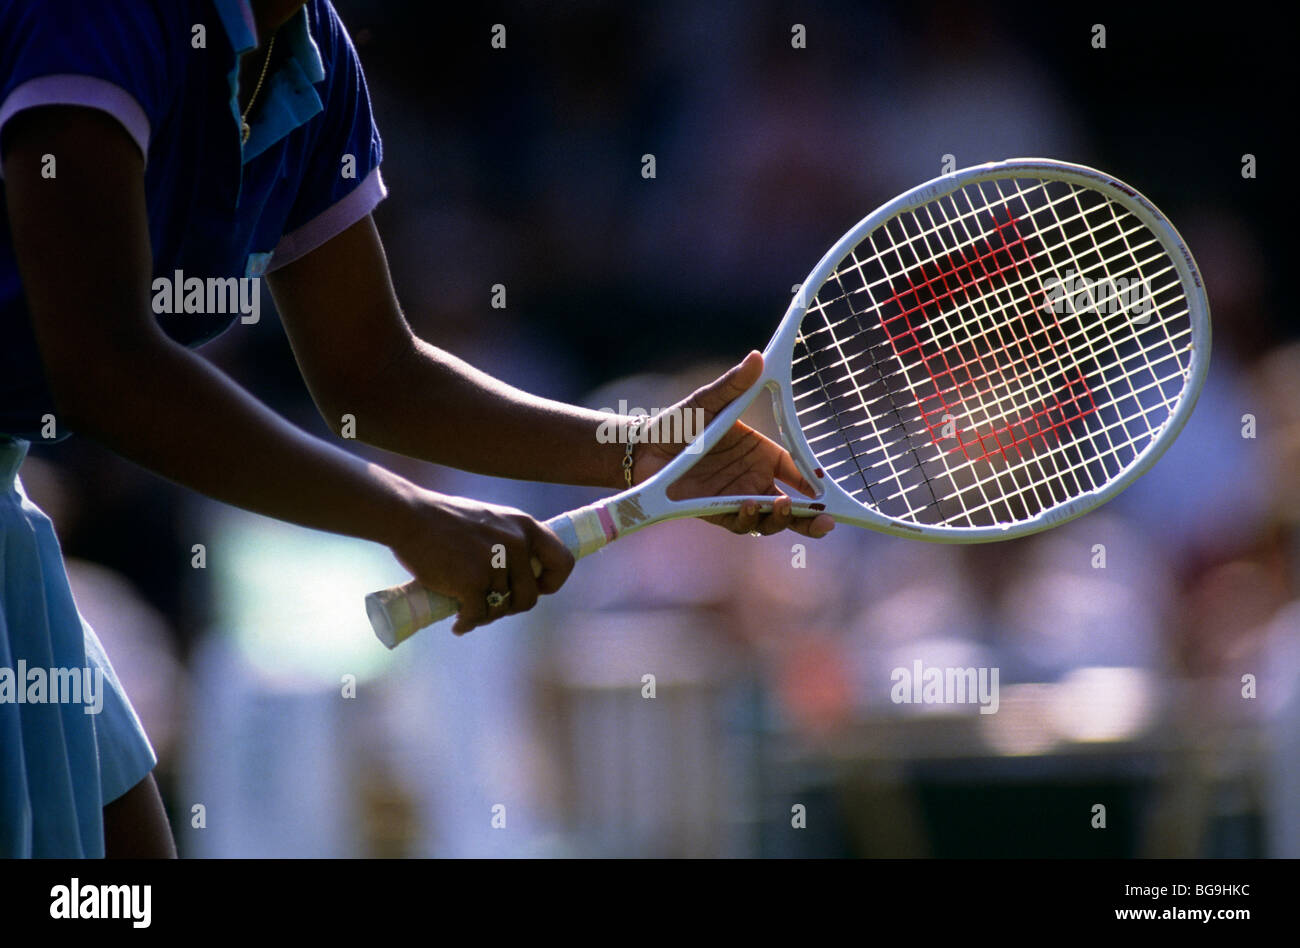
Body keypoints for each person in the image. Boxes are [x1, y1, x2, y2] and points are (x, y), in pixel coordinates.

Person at [0, 0, 834, 857]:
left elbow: (375, 376)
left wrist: (641, 450)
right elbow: (102, 362)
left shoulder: (315, 53)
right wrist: (408, 517)